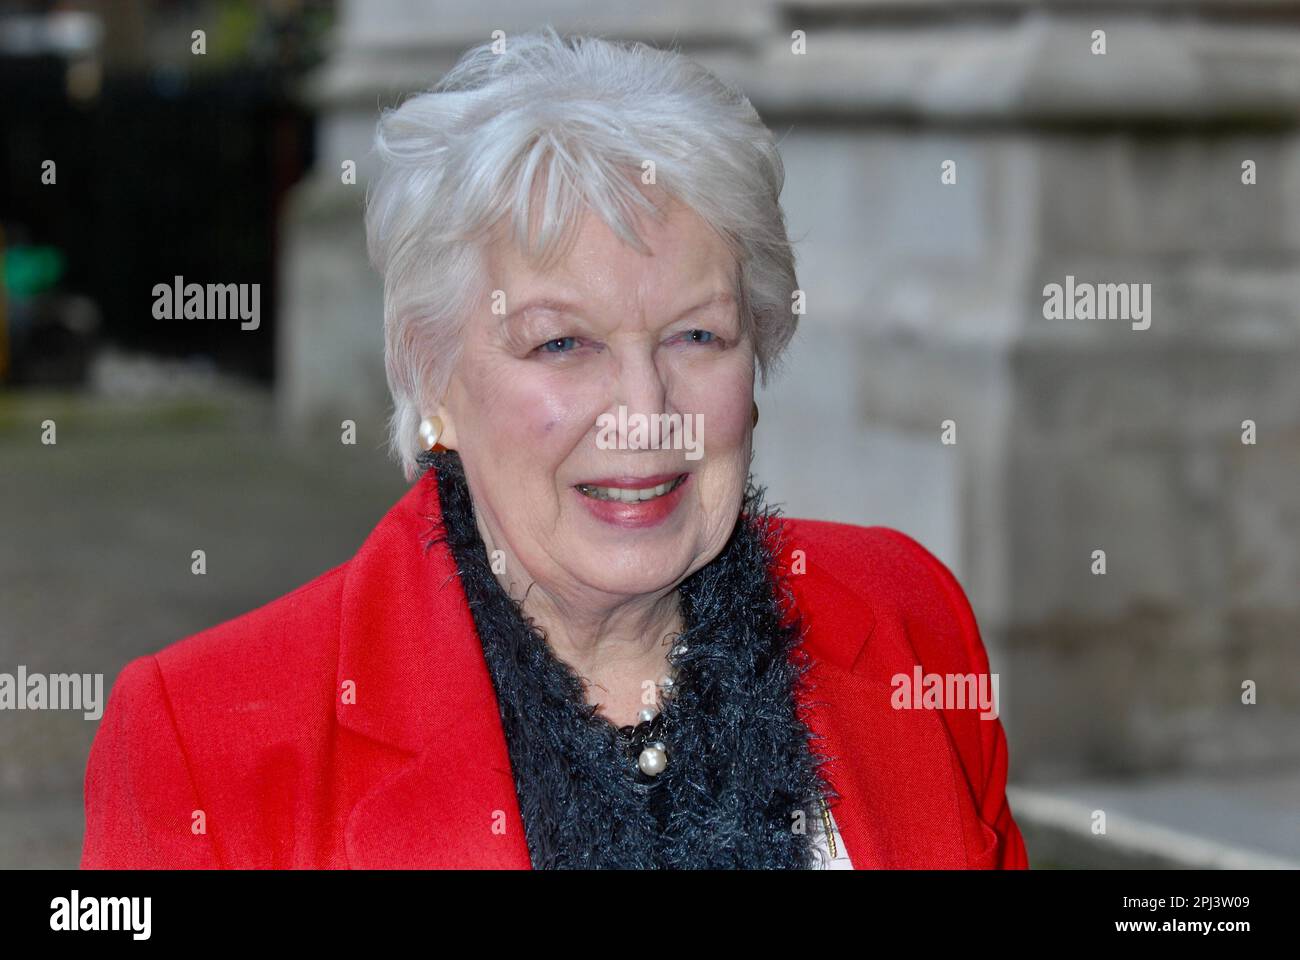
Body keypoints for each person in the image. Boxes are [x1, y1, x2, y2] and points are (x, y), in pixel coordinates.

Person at [81, 27, 1028, 869]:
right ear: (433, 375)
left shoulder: (908, 618)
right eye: (561, 344)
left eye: (696, 336)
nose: (642, 410)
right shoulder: (203, 742)